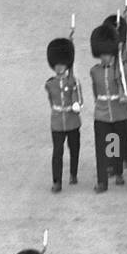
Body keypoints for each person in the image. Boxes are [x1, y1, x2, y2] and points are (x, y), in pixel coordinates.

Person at [89, 24, 127, 192]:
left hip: (118, 112)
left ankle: (118, 171)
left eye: (107, 54)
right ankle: (102, 181)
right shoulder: (94, 71)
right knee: (102, 150)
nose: (104, 57)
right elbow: (95, 91)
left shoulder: (120, 69)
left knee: (115, 145)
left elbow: (126, 87)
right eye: (102, 54)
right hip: (102, 113)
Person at [45, 36, 82, 192]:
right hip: (57, 122)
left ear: (67, 64)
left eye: (62, 64)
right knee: (57, 153)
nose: (59, 68)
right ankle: (57, 181)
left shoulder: (74, 81)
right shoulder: (50, 84)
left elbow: (80, 99)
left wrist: (76, 104)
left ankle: (73, 173)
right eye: (57, 65)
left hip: (72, 120)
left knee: (74, 149)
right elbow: (52, 102)